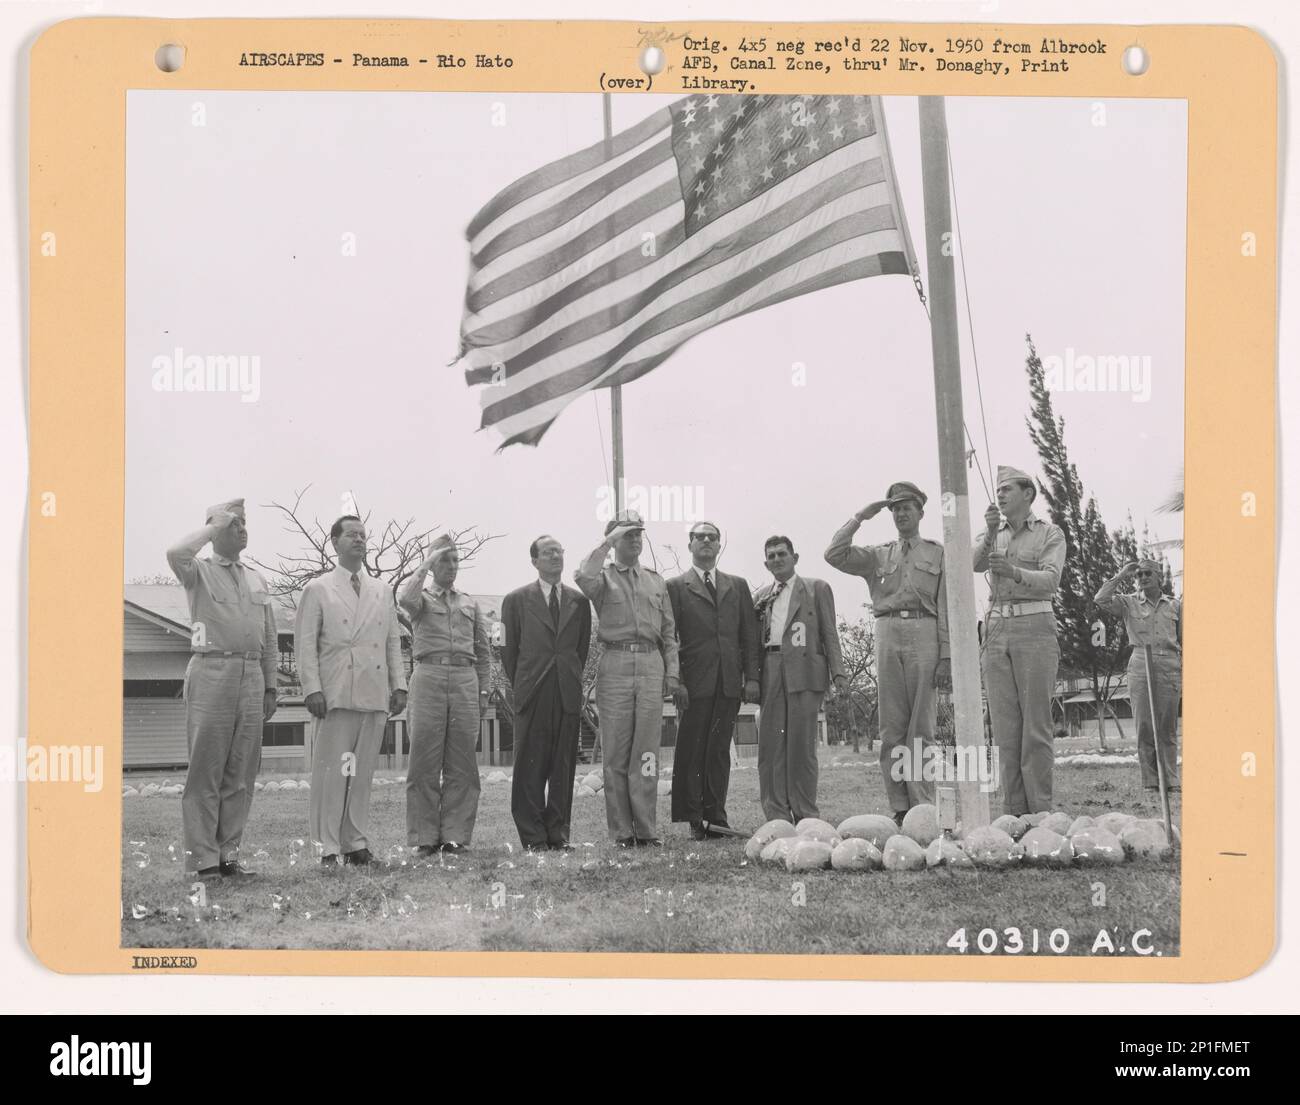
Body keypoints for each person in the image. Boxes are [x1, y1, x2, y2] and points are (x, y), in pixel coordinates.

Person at [825, 482, 950, 825]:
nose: (900, 513)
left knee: (922, 725)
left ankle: (923, 805)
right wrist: (859, 517)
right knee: (892, 727)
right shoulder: (878, 554)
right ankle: (900, 808)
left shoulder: (938, 553)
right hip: (887, 630)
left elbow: (946, 606)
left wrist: (946, 654)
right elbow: (834, 555)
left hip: (925, 631)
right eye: (895, 508)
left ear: (921, 512)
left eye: (907, 507)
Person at [167, 499, 278, 879]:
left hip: (251, 674)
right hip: (211, 669)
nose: (242, 529)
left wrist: (271, 686)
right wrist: (214, 527)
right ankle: (203, 860)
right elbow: (175, 551)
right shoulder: (197, 571)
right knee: (206, 770)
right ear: (214, 530)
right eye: (234, 524)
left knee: (241, 771)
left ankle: (229, 855)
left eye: (245, 523)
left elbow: (270, 637)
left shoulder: (256, 578)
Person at [295, 515, 407, 869]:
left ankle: (355, 842)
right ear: (335, 543)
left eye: (363, 535)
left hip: (373, 694)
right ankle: (327, 847)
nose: (359, 540)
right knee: (332, 774)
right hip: (335, 693)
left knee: (361, 774)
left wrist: (399, 684)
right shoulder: (318, 589)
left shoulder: (382, 590)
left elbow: (392, 641)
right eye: (351, 535)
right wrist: (312, 688)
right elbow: (305, 645)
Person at [574, 510, 680, 847]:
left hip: (651, 664)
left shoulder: (655, 580)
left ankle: (646, 828)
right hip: (615, 663)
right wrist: (606, 540)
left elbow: (668, 631)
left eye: (638, 534)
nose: (635, 540)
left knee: (647, 753)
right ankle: (622, 831)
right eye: (627, 534)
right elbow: (581, 575)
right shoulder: (603, 578)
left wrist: (672, 673)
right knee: (616, 752)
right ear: (615, 540)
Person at [974, 465, 1067, 816]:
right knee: (1004, 726)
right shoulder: (992, 532)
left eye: (1008, 488)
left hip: (1035, 626)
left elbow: (1051, 580)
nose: (1000, 494)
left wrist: (1014, 572)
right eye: (998, 489)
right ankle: (1014, 812)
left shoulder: (1049, 533)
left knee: (1036, 724)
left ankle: (1040, 810)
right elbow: (970, 563)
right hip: (996, 629)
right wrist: (988, 533)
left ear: (1028, 494)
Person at [666, 521, 761, 840]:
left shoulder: (737, 584)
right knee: (692, 749)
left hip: (729, 682)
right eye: (699, 537)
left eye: (712, 537)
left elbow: (749, 634)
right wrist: (675, 681)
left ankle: (716, 815)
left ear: (719, 545)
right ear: (690, 544)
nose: (706, 541)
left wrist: (752, 678)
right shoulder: (676, 586)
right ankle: (695, 819)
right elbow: (669, 637)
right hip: (693, 683)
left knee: (719, 750)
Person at [398, 534, 492, 855]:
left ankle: (455, 836)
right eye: (444, 560)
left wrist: (483, 688)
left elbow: (484, 650)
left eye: (454, 560)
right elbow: (404, 599)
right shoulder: (421, 599)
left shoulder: (469, 603)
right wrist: (424, 562)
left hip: (465, 678)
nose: (451, 566)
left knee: (463, 761)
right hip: (428, 676)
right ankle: (425, 838)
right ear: (432, 564)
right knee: (424, 758)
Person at [501, 536, 592, 852]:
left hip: (566, 689)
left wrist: (569, 677)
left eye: (559, 551)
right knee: (530, 766)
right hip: (532, 690)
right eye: (548, 552)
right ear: (534, 561)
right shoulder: (515, 600)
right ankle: (533, 836)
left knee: (562, 766)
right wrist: (524, 682)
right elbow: (508, 651)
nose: (555, 556)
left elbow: (580, 649)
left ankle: (558, 833)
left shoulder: (579, 602)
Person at [753, 536, 846, 824]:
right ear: (765, 563)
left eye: (782, 554)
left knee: (802, 747)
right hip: (770, 666)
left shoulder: (816, 588)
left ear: (795, 557)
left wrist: (839, 673)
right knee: (771, 747)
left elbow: (830, 632)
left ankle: (805, 813)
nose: (777, 559)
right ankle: (776, 813)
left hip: (806, 670)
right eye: (771, 556)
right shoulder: (761, 596)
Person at [1094, 559, 1182, 792]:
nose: (1142, 578)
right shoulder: (1128, 603)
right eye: (1139, 574)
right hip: (1141, 662)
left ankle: (1171, 780)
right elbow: (1100, 599)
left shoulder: (1175, 605)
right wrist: (1122, 573)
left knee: (1167, 726)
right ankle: (1151, 782)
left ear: (1159, 577)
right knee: (1144, 725)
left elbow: (1184, 638)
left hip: (1169, 663)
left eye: (1147, 574)